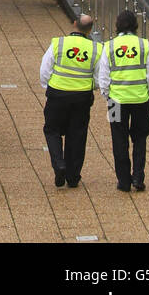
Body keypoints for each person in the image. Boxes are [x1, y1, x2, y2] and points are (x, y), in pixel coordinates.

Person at [39, 12, 102, 189]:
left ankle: (59, 163)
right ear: (90, 30)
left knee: (52, 130)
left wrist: (49, 87)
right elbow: (99, 77)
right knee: (77, 134)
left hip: (57, 94)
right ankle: (73, 177)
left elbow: (45, 69)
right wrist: (91, 88)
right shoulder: (97, 49)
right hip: (81, 97)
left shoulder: (58, 43)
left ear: (74, 24)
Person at [99, 9, 149, 192]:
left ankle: (123, 181)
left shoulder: (109, 46)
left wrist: (106, 95)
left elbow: (104, 76)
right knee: (140, 138)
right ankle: (138, 178)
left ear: (117, 26)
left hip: (116, 101)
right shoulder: (144, 45)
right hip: (141, 99)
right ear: (136, 26)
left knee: (119, 139)